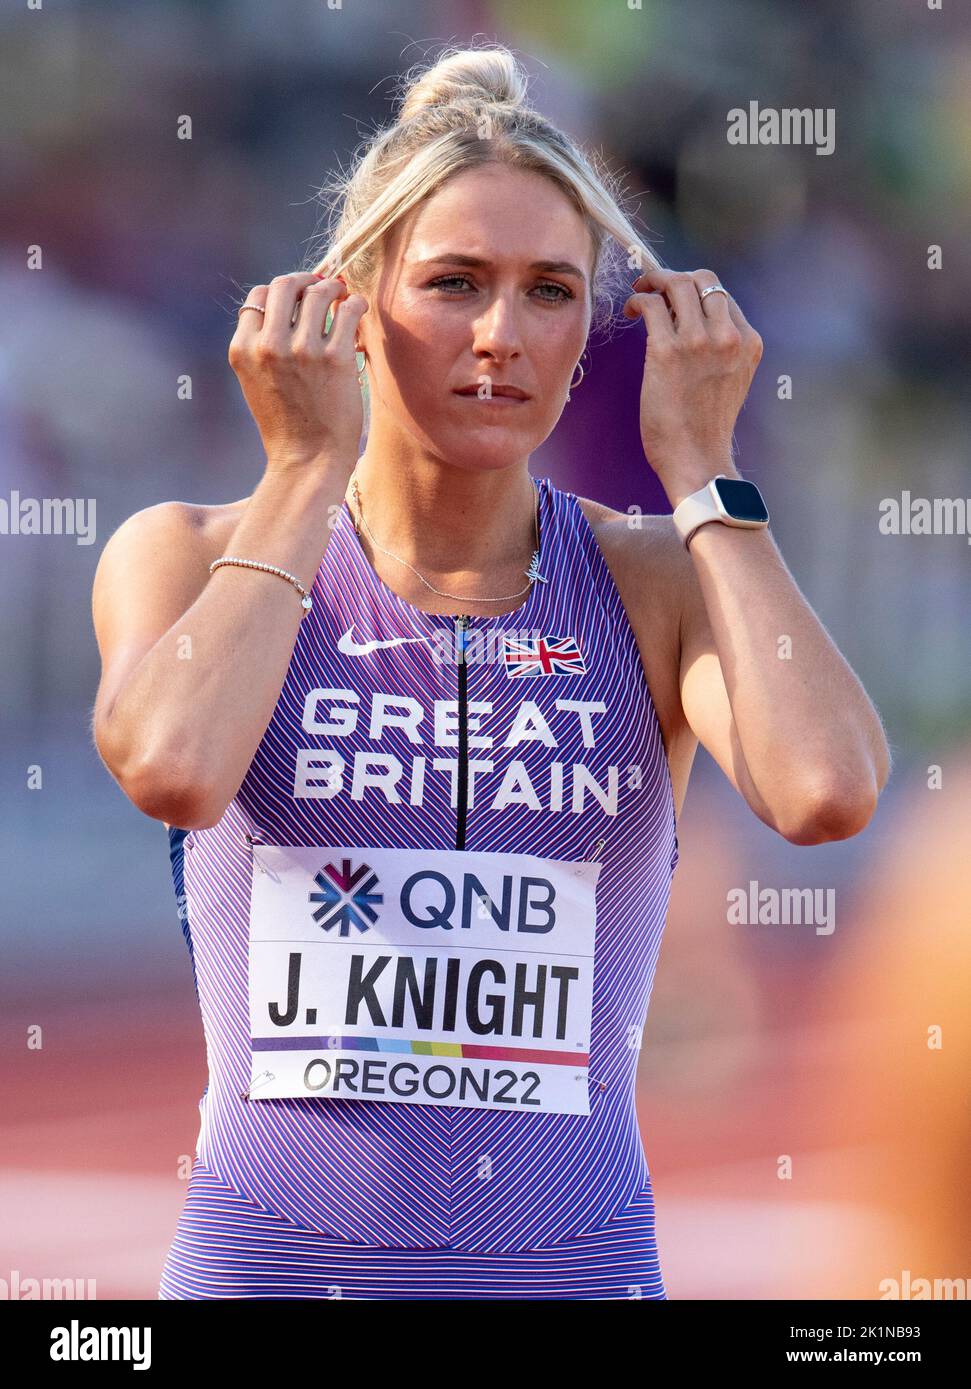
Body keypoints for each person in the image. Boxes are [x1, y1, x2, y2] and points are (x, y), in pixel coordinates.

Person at [91, 44, 891, 1300]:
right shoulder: (186, 554)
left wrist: (703, 477)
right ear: (351, 302)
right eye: (454, 283)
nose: (501, 336)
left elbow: (825, 790)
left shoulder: (650, 578)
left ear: (595, 323)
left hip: (572, 1274)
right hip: (269, 1274)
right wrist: (304, 475)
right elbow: (175, 770)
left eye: (550, 292)